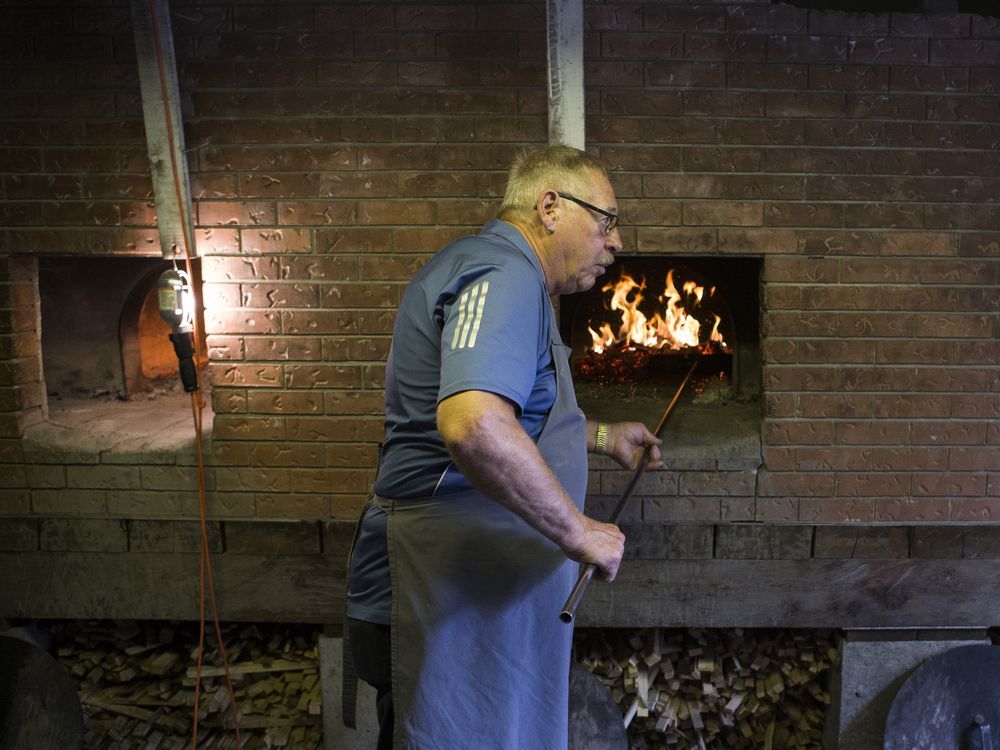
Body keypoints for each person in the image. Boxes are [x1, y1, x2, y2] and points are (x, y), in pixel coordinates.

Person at [344, 145, 662, 750]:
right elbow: (474, 424)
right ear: (550, 207)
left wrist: (600, 436)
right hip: (440, 587)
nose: (616, 242)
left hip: (472, 585)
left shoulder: (509, 277)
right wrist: (578, 532)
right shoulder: (504, 274)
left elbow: (518, 414)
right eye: (607, 220)